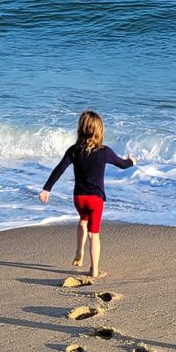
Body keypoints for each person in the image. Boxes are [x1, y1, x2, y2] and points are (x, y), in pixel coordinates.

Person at [39, 110, 135, 279]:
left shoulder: (74, 151)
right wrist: (131, 161)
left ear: (80, 129)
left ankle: (79, 252)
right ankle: (94, 270)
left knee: (83, 221)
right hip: (95, 199)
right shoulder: (104, 151)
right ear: (99, 130)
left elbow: (60, 169)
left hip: (79, 198)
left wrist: (47, 189)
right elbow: (122, 164)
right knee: (94, 234)